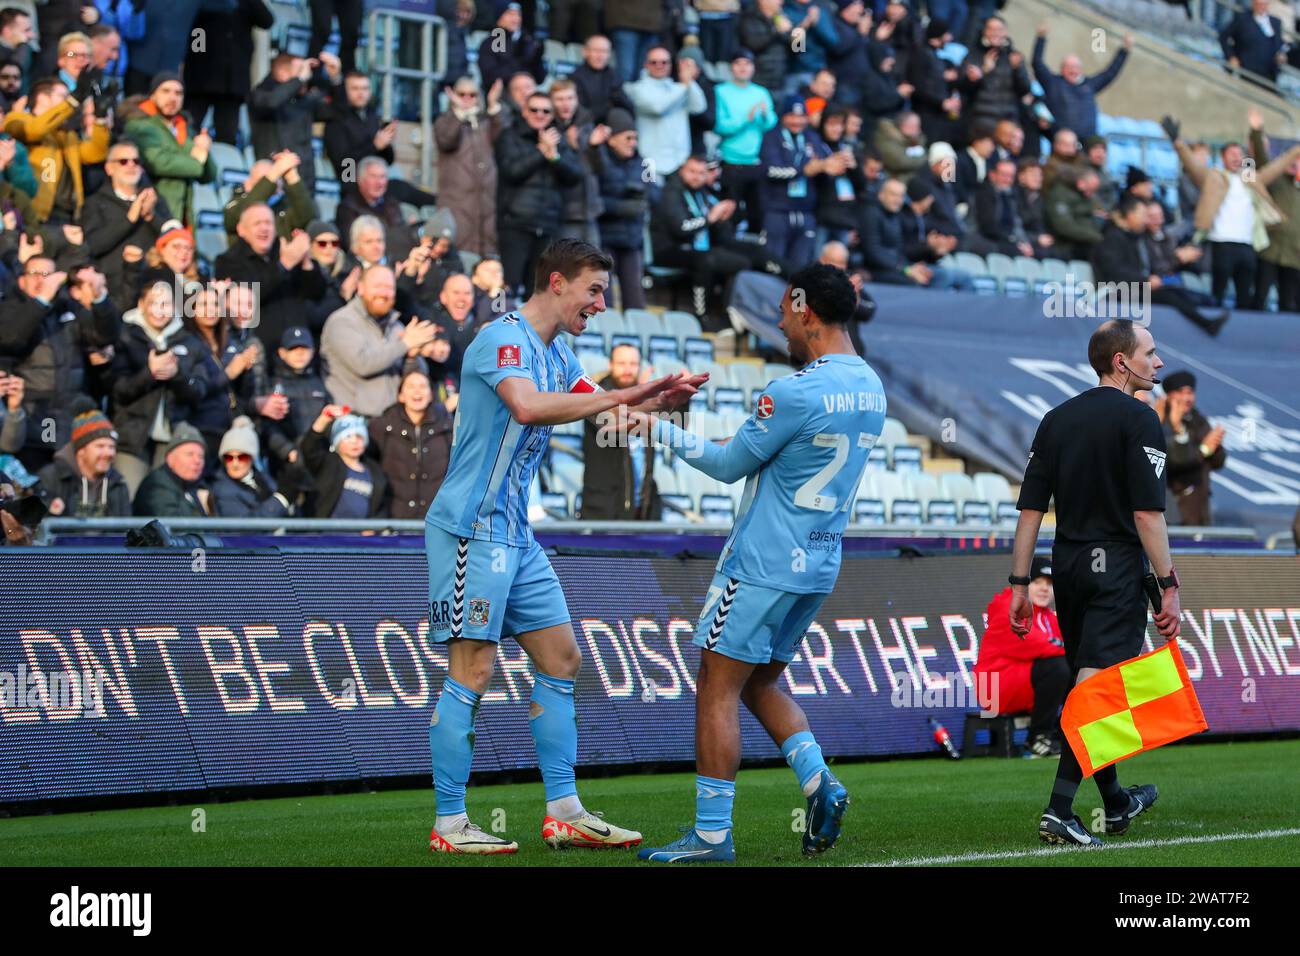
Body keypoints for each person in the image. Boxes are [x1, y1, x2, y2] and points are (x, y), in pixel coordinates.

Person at [422, 237, 705, 854]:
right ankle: (449, 823)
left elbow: (591, 407)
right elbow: (525, 408)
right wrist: (623, 394)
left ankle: (564, 812)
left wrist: (657, 399)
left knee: (562, 659)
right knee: (473, 668)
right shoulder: (501, 338)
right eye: (594, 291)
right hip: (470, 530)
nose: (601, 304)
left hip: (517, 536)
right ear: (556, 282)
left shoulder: (558, 350)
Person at [633, 263, 885, 863]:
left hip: (762, 562)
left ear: (805, 308)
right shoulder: (872, 385)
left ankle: (712, 837)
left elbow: (726, 464)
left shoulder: (794, 389)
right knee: (761, 681)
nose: (777, 322)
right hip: (819, 562)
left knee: (715, 689)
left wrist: (654, 425)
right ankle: (820, 781)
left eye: (781, 310)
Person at [1010, 318, 1180, 847]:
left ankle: (1114, 801)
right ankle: (1060, 809)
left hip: (1069, 568)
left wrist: (1018, 582)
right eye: (1150, 353)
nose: (1159, 362)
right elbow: (1148, 515)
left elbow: (1030, 512)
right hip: (1116, 571)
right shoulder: (1141, 419)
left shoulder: (1056, 419)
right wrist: (1168, 583)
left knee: (1097, 683)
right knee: (1095, 692)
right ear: (1121, 362)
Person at [1165, 113, 1298, 309]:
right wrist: (1178, 142)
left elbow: (1277, 166)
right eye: (1232, 154)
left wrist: (1295, 151)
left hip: (1247, 244)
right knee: (1217, 294)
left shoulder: (1253, 179)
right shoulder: (1212, 177)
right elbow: (1192, 165)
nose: (1236, 158)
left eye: (1239, 155)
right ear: (1222, 157)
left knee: (1245, 296)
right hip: (1222, 242)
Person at [652, 154, 789, 324]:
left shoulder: (702, 192)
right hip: (670, 249)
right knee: (707, 260)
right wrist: (710, 218)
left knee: (742, 260)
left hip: (699, 247)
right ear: (682, 171)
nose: (696, 177)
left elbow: (719, 232)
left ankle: (728, 312)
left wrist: (725, 217)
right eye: (692, 171)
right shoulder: (671, 192)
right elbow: (680, 228)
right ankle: (701, 316)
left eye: (701, 173)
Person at [1091, 194, 1228, 337]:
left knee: (1178, 292)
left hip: (1134, 287)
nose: (1146, 220)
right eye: (1143, 215)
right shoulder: (1112, 238)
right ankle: (1207, 324)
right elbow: (1115, 271)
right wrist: (1145, 280)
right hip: (1118, 291)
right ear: (1130, 215)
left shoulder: (1133, 238)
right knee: (1168, 295)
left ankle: (1208, 320)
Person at [972, 556, 1069, 758]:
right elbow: (1031, 642)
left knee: (1079, 670)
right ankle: (1038, 739)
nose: (1044, 588)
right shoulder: (1008, 605)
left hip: (1021, 682)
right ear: (1024, 583)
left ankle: (1066, 735)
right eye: (1037, 582)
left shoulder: (1048, 617)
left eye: (1049, 584)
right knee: (1060, 667)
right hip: (996, 688)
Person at [493, 91, 583, 298]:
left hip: (548, 225)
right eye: (534, 109)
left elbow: (576, 176)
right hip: (515, 224)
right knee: (509, 287)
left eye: (546, 111)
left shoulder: (557, 139)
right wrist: (541, 153)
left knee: (538, 292)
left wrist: (555, 158)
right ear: (524, 111)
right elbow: (511, 172)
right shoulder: (509, 135)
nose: (539, 114)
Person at [320, 265, 438, 418]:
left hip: (391, 422)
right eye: (377, 286)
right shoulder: (342, 322)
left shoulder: (396, 325)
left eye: (389, 288)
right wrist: (404, 344)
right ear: (360, 288)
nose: (383, 293)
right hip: (352, 422)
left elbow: (416, 376)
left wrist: (412, 357)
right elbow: (363, 364)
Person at [3, 75, 109, 224]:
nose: (69, 101)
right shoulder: (17, 119)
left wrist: (100, 118)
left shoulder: (66, 134)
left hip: (67, 216)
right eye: (63, 96)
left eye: (69, 96)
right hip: (34, 214)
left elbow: (95, 154)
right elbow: (35, 130)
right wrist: (72, 101)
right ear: (42, 98)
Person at [123, 72, 219, 227]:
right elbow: (159, 162)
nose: (172, 98)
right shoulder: (139, 125)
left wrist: (204, 149)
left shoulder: (184, 126)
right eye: (166, 91)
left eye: (178, 93)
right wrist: (198, 159)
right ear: (153, 95)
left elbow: (210, 175)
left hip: (182, 215)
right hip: (152, 214)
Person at [578, 343, 658, 520]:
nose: (628, 369)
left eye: (633, 364)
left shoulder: (647, 398)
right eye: (622, 363)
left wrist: (682, 399)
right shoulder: (597, 395)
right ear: (610, 365)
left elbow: (675, 428)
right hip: (603, 511)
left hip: (643, 511)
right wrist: (643, 400)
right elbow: (612, 427)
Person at [249, 52, 342, 196]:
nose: (306, 77)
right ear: (282, 73)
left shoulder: (304, 101)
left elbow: (336, 112)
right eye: (300, 71)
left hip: (304, 181)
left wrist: (335, 79)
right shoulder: (261, 94)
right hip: (273, 182)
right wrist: (298, 80)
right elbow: (272, 102)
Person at [760, 96, 837, 266]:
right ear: (783, 116)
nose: (797, 121)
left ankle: (796, 294)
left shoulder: (812, 137)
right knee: (773, 266)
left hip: (806, 212)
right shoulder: (771, 137)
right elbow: (770, 170)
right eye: (792, 116)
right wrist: (803, 171)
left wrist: (830, 169)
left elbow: (824, 165)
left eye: (801, 116)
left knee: (801, 268)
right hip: (778, 211)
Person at [368, 369, 454, 519]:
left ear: (431, 394)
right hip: (393, 516)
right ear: (400, 395)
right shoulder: (382, 426)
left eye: (422, 386)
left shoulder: (447, 426)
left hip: (437, 517)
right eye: (411, 386)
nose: (417, 391)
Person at [185, 0, 275, 144]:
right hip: (200, 78)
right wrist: (198, 57)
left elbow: (267, 21)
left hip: (232, 82)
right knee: (189, 130)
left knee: (227, 135)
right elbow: (195, 29)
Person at [434, 76, 504, 257]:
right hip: (457, 203)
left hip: (487, 205)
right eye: (462, 94)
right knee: (459, 255)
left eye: (472, 95)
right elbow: (446, 140)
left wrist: (493, 105)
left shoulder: (486, 122)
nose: (467, 99)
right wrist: (458, 114)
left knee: (487, 260)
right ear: (453, 96)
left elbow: (504, 137)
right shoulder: (445, 120)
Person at [624, 46, 707, 192]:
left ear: (671, 65)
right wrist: (684, 85)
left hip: (679, 161)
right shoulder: (638, 89)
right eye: (654, 62)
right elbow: (658, 107)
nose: (659, 66)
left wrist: (689, 82)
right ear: (646, 64)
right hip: (649, 161)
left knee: (675, 209)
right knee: (650, 204)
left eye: (664, 62)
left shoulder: (677, 86)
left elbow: (699, 107)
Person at [1031, 24, 1131, 143]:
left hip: (1087, 144)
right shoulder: (1053, 83)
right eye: (1069, 67)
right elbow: (1037, 63)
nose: (1074, 70)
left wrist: (1124, 50)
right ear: (1062, 69)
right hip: (1062, 144)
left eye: (1076, 67)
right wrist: (1041, 38)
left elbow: (1110, 73)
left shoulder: (1089, 85)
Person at [715, 49, 777, 232]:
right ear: (731, 67)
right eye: (738, 63)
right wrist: (746, 118)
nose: (743, 68)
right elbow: (720, 126)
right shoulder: (721, 91)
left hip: (755, 161)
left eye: (747, 63)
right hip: (730, 161)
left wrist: (765, 116)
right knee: (730, 213)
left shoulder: (761, 92)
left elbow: (771, 124)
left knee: (757, 212)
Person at [1247, 107, 1300, 312]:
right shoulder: (1275, 179)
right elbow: (1259, 160)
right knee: (1260, 296)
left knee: (1289, 302)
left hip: (1295, 254)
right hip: (1270, 249)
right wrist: (1256, 130)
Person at [37, 402, 132, 517]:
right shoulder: (51, 478)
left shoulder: (118, 483)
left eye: (111, 447)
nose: (109, 453)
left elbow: (125, 529)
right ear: (81, 450)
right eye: (100, 446)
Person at [1160, 370, 1226, 526]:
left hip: (1200, 507)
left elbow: (1218, 462)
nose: (1186, 398)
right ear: (1169, 396)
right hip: (1173, 509)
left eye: (1190, 392)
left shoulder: (1198, 420)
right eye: (1180, 392)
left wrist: (1214, 448)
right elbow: (1172, 463)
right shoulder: (1161, 422)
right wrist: (1203, 451)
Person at [299, 406, 389, 517]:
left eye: (359, 437)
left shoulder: (374, 471)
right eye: (347, 437)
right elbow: (309, 447)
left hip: (359, 533)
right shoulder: (328, 463)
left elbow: (381, 506)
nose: (354, 442)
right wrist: (324, 419)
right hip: (326, 532)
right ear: (336, 442)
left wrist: (373, 528)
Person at [209, 415, 297, 517]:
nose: (235, 463)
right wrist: (280, 500)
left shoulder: (263, 478)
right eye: (229, 457)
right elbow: (244, 527)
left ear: (252, 458)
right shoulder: (222, 490)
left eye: (242, 457)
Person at [221, 152, 316, 243]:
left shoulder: (285, 207)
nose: (271, 185)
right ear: (247, 184)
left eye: (276, 179)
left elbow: (307, 217)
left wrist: (291, 176)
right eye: (262, 181)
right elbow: (238, 217)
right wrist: (274, 173)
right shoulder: (236, 204)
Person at [325, 70, 398, 185]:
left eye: (365, 88)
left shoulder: (371, 115)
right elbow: (345, 168)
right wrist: (375, 146)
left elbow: (387, 161)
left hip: (377, 183)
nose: (361, 93)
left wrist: (386, 142)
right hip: (352, 186)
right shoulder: (336, 121)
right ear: (345, 91)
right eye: (355, 88)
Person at [132, 422, 211, 516]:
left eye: (201, 456)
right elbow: (174, 525)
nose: (197, 461)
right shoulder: (156, 486)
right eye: (189, 454)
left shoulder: (194, 487)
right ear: (170, 457)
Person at [476, 1, 545, 94]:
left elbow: (540, 79)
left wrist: (537, 57)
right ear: (499, 17)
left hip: (528, 95)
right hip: (501, 94)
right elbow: (490, 76)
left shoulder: (528, 41)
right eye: (510, 14)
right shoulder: (490, 43)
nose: (515, 19)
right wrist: (520, 62)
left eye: (518, 15)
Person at [1219, 0, 1285, 87]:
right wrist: (1231, 56)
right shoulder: (1242, 18)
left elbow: (1279, 45)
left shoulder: (1275, 22)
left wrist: (1281, 55)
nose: (1262, 7)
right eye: (1260, 4)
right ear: (1254, 4)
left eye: (1264, 4)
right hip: (1245, 69)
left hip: (1268, 74)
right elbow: (1223, 37)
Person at [569, 34, 632, 123]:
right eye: (596, 50)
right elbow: (580, 113)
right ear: (585, 52)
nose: (600, 56)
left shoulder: (614, 75)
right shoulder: (575, 77)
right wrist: (608, 106)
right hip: (587, 127)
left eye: (604, 51)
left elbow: (628, 108)